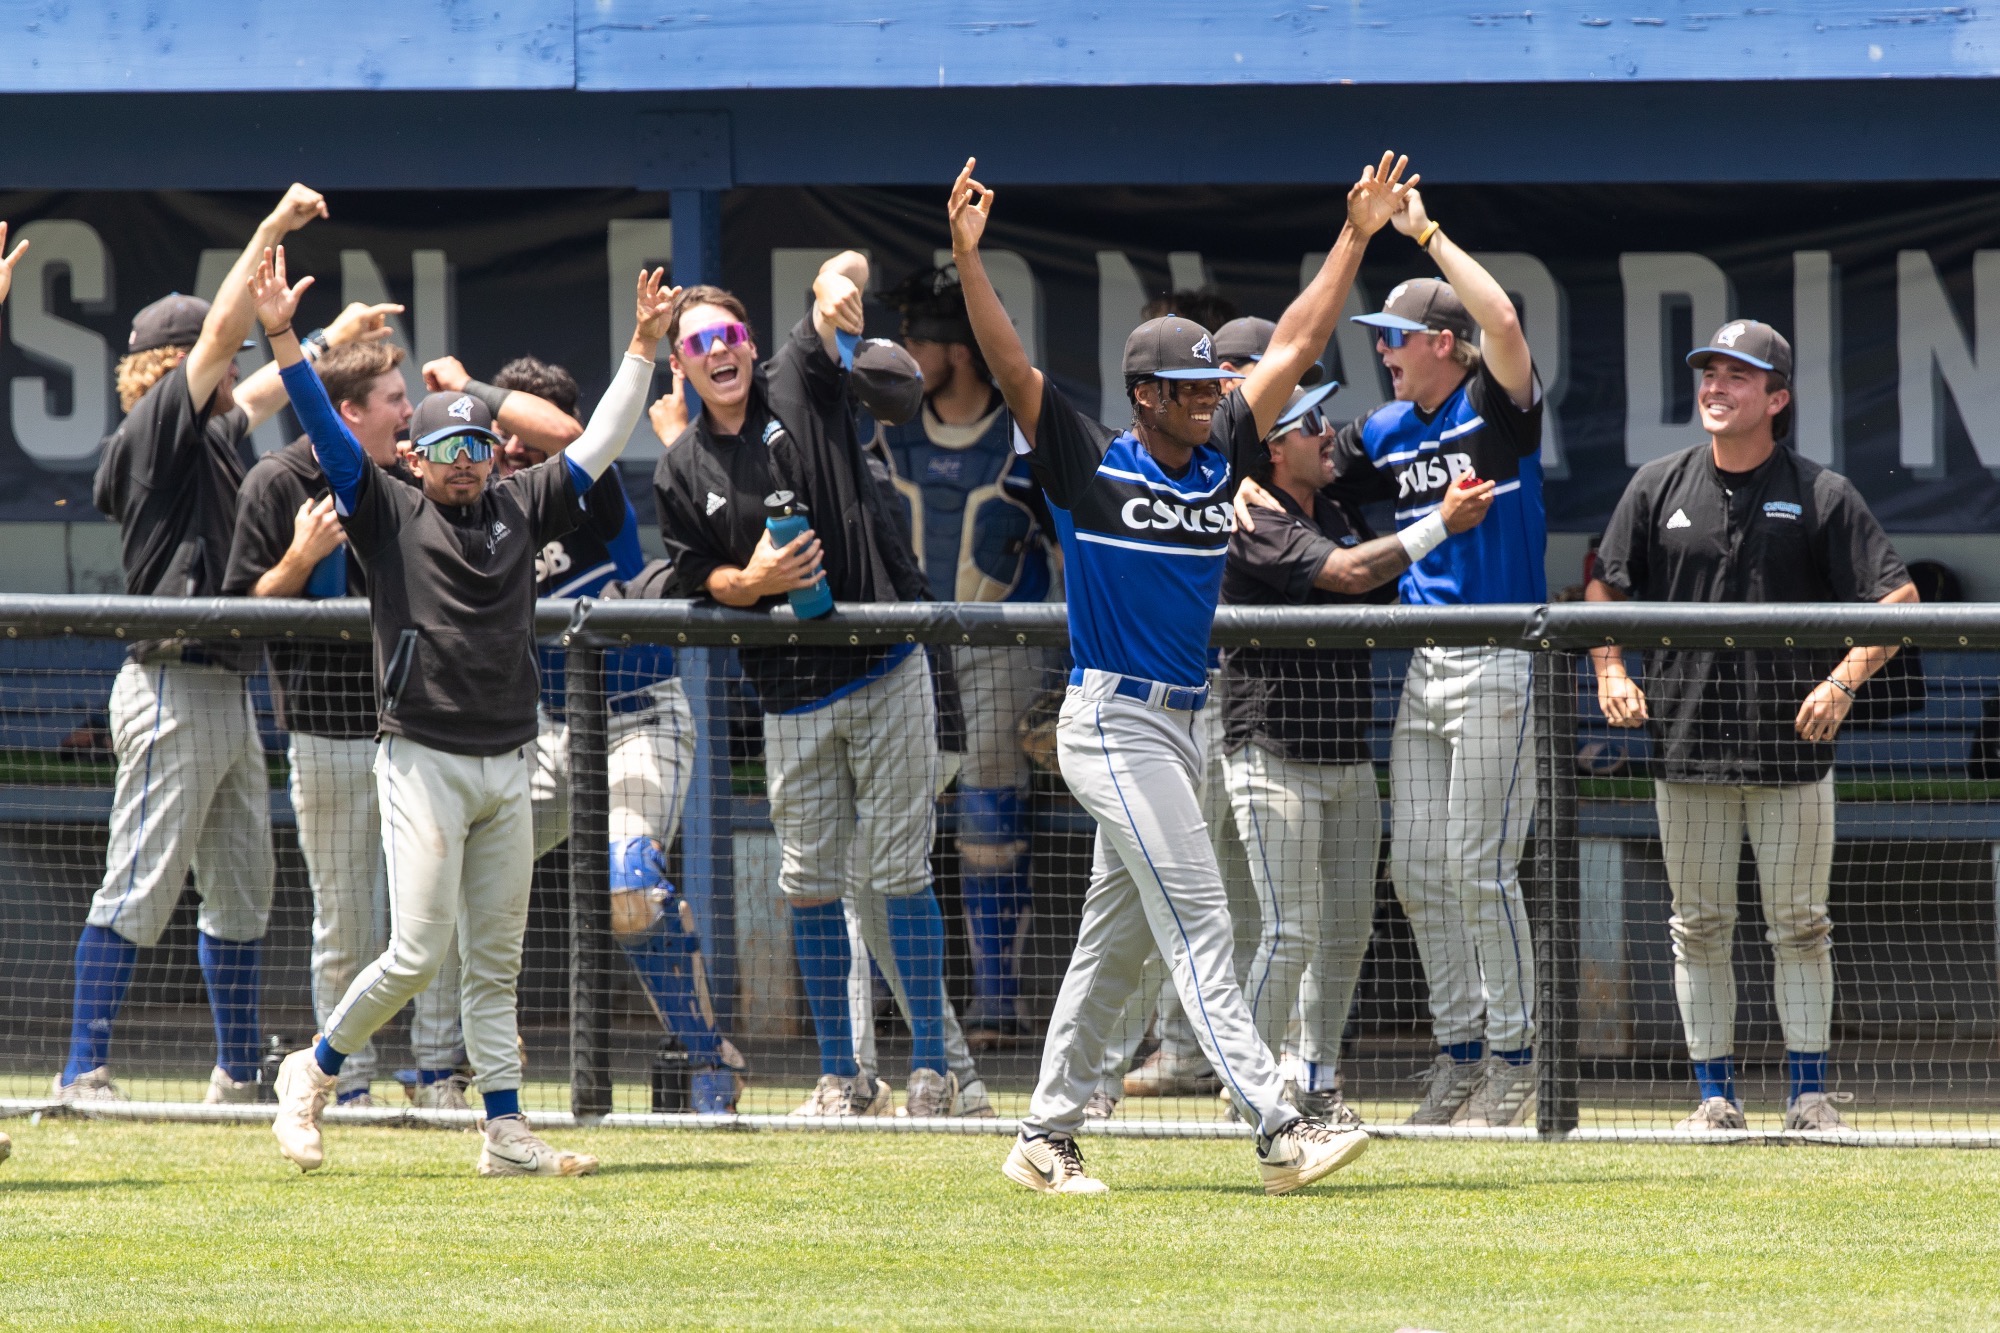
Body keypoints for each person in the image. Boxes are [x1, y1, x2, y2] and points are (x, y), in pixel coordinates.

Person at [954, 151, 1414, 1195]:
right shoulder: (1090, 461)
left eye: (1215, 384)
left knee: (1115, 943)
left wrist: (1355, 234)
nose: (1212, 398)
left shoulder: (1221, 455)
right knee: (1204, 917)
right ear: (1144, 394)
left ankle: (1042, 1134)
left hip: (1180, 725)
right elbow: (1011, 366)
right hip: (1111, 721)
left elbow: (1296, 342)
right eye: (1192, 388)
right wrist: (968, 257)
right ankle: (1278, 1126)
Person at [262, 247, 671, 1176]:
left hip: (508, 757)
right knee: (415, 954)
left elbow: (602, 440)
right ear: (413, 457)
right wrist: (284, 335)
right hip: (424, 757)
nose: (461, 461)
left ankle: (505, 1131)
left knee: (495, 962)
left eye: (475, 445)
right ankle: (312, 1071)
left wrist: (644, 347)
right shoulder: (385, 510)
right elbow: (323, 425)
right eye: (443, 448)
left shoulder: (522, 502)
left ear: (494, 452)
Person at [1238, 183, 1548, 1128]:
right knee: (1416, 871)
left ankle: (1517, 1058)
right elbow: (1289, 450)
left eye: (1396, 338)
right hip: (1424, 666)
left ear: (1442, 344)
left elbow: (1502, 320)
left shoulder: (1493, 406)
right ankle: (1460, 1053)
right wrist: (1237, 485)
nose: (1382, 352)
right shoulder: (1384, 427)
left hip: (1498, 657)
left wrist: (1426, 235)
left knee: (1480, 868)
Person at [1586, 320, 1918, 1132]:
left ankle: (1808, 1096)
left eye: (1737, 376)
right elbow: (1603, 587)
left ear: (1777, 398)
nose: (1716, 386)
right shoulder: (1657, 483)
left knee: (1800, 926)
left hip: (1792, 749)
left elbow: (1900, 601)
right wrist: (1610, 669)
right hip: (1685, 745)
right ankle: (1715, 1098)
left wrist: (1843, 680)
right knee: (1698, 926)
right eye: (1709, 372)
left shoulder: (1821, 490)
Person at [652, 256, 964, 1118]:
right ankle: (841, 1078)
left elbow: (843, 277)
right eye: (698, 344)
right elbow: (698, 578)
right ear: (679, 364)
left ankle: (932, 1072)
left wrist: (833, 282)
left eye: (729, 335)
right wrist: (752, 582)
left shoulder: (798, 378)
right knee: (811, 881)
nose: (719, 352)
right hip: (789, 693)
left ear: (752, 343)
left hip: (883, 664)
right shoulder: (681, 467)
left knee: (900, 871)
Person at [56, 183, 335, 1105]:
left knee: (243, 888)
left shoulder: (205, 434)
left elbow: (250, 388)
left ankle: (236, 1071)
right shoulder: (156, 430)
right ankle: (82, 1069)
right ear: (172, 366)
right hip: (172, 680)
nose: (229, 367)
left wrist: (330, 342)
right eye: (213, 357)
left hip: (224, 688)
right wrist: (270, 230)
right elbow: (221, 340)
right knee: (138, 881)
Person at [428, 352, 747, 1115]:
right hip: (551, 734)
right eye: (498, 434)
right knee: (448, 870)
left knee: (629, 883)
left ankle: (711, 1059)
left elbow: (570, 435)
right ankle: (470, 1053)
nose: (507, 447)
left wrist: (471, 387)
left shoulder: (586, 488)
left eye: (516, 430)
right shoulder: (484, 511)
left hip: (640, 717)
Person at [1223, 384, 1495, 1126]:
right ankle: (1247, 1086)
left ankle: (1314, 1079)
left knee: (1346, 933)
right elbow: (1347, 575)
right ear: (1272, 447)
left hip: (1346, 755)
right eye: (1309, 422)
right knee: (1289, 931)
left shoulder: (1334, 508)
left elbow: (1376, 557)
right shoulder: (1253, 517)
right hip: (1271, 752)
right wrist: (1441, 523)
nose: (1328, 432)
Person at [224, 340, 467, 1109]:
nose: (407, 410)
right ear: (346, 412)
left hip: (420, 730)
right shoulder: (276, 479)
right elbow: (238, 612)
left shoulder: (409, 475)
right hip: (327, 733)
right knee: (348, 920)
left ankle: (438, 1074)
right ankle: (348, 1081)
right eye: (394, 398)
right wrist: (301, 559)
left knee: (435, 913)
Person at [877, 264, 1056, 1048]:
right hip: (906, 645)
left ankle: (995, 1002)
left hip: (997, 644)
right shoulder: (886, 428)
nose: (906, 353)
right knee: (893, 823)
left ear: (958, 349)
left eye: (918, 341)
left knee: (989, 819)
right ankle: (900, 999)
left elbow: (1068, 542)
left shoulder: (1021, 429)